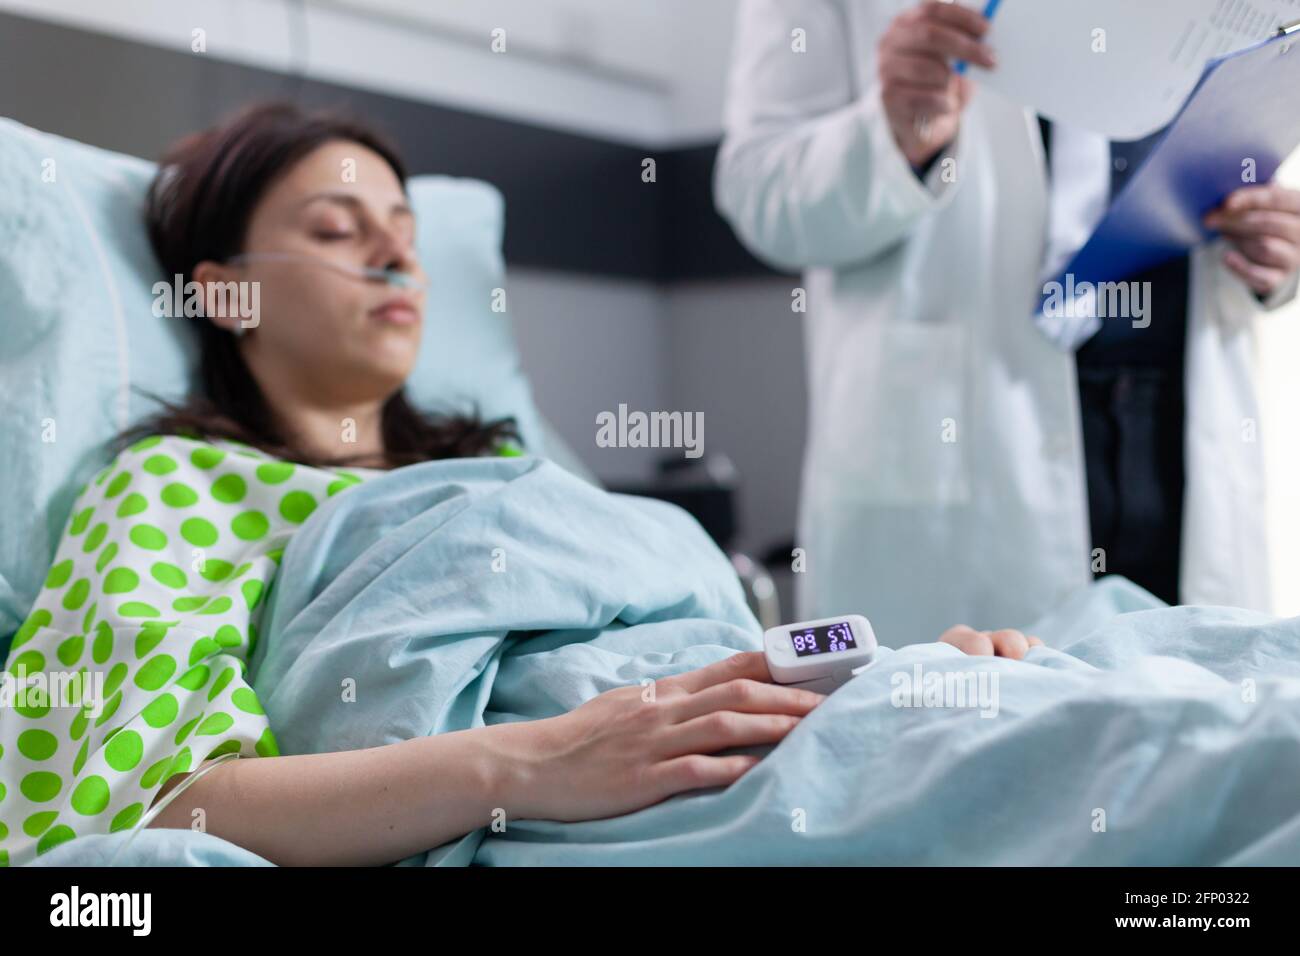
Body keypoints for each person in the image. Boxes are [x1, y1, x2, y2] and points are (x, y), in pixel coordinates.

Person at [0, 102, 1039, 868]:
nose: (396, 256)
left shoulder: (506, 469)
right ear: (226, 295)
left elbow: (689, 657)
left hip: (747, 734)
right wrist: (534, 763)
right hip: (614, 801)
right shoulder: (176, 484)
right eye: (336, 230)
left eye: (406, 232)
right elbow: (142, 805)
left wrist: (878, 672)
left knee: (1036, 702)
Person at [714, 0, 1300, 642]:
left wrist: (1278, 248)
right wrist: (891, 134)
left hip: (1177, 438)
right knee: (966, 698)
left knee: (1198, 688)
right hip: (967, 448)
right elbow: (757, 191)